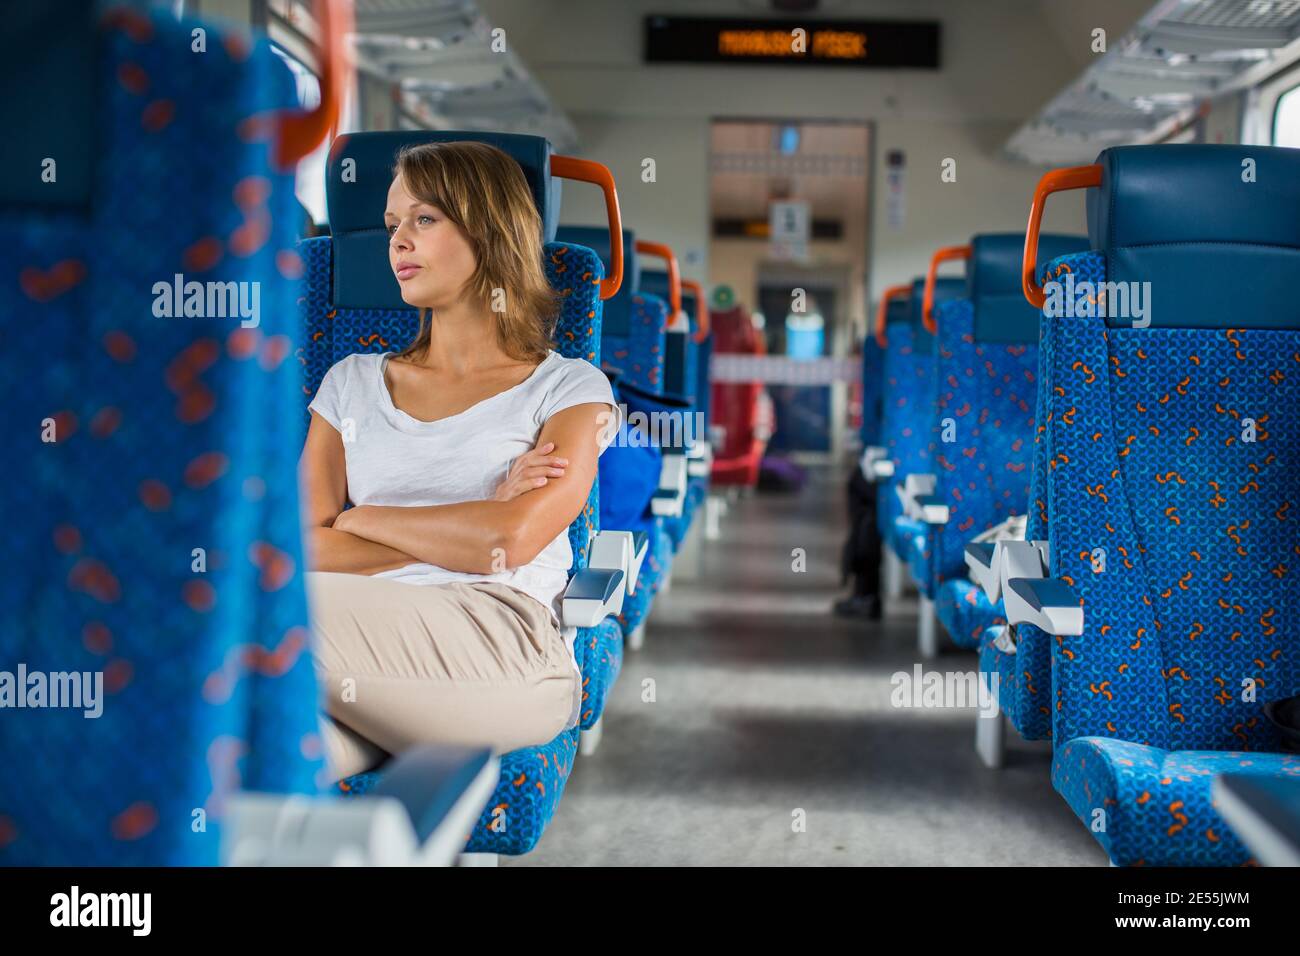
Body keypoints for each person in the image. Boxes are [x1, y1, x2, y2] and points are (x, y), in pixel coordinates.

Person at [298, 141, 620, 779]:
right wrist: (467, 523)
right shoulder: (349, 382)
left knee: (255, 608)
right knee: (258, 756)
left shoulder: (569, 389)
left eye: (424, 219)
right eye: (392, 224)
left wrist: (360, 520)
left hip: (505, 641)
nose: (398, 241)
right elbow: (302, 548)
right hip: (368, 653)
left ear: (490, 230)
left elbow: (508, 541)